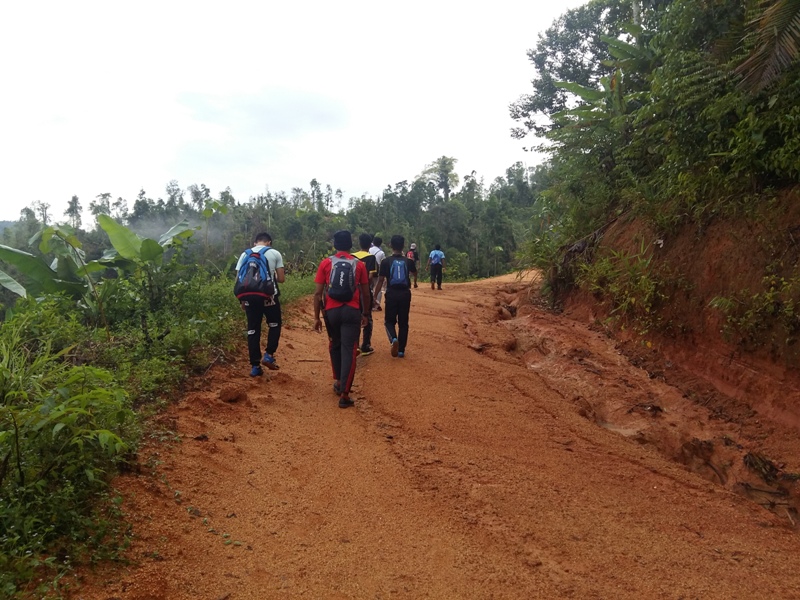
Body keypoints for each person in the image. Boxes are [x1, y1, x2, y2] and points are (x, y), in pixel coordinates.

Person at [313, 230, 371, 408]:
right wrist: (366, 314)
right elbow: (365, 293)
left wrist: (317, 318)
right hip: (351, 312)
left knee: (335, 345)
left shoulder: (326, 263)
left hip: (331, 312)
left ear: (335, 245)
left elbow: (318, 293)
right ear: (350, 245)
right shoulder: (359, 265)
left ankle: (338, 381)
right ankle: (345, 394)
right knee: (349, 350)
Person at [235, 232, 285, 377]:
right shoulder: (274, 253)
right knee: (274, 324)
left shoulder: (245, 254)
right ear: (269, 242)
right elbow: (281, 279)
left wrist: (242, 300)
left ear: (255, 242)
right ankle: (269, 354)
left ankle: (255, 367)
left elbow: (239, 279)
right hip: (270, 297)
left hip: (249, 298)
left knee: (253, 330)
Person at [373, 235, 417, 358]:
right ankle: (401, 350)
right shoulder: (408, 261)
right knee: (403, 322)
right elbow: (414, 273)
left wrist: (375, 296)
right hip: (405, 294)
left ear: (390, 245)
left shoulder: (386, 261)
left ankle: (393, 338)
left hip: (391, 293)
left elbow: (380, 280)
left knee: (389, 321)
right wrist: (414, 282)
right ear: (403, 246)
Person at [352, 232, 378, 356]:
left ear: (359, 243)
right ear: (370, 244)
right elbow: (371, 277)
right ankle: (365, 345)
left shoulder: (352, 256)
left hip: (353, 291)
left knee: (355, 317)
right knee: (367, 317)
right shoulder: (371, 257)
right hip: (365, 291)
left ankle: (355, 344)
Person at [369, 236, 386, 310]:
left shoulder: (369, 249)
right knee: (378, 287)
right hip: (377, 272)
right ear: (380, 244)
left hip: (369, 271)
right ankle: (376, 304)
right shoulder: (381, 252)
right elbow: (383, 263)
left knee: (369, 287)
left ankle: (369, 303)